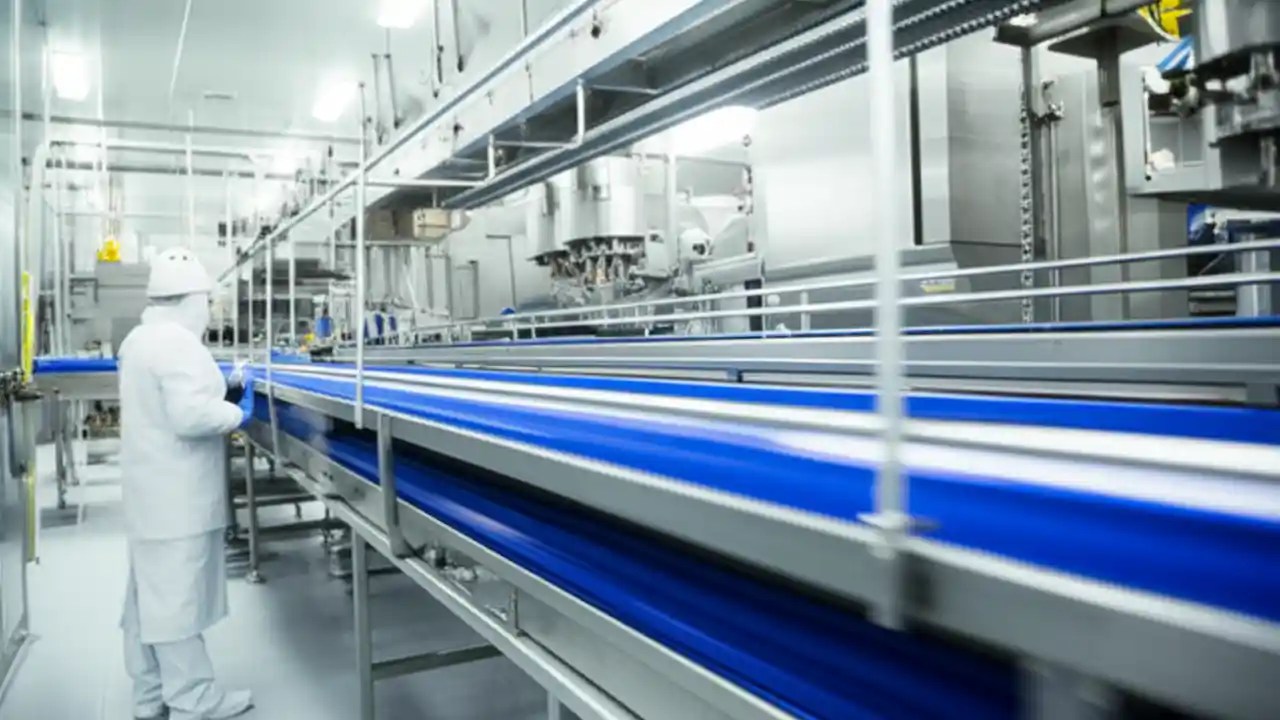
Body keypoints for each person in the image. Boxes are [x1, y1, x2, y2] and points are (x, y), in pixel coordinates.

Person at [117, 247, 256, 720]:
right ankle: (194, 701)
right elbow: (190, 414)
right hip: (176, 498)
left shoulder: (139, 339)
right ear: (190, 298)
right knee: (175, 601)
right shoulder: (176, 343)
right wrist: (237, 409)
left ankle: (150, 694)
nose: (208, 311)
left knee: (147, 599)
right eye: (206, 301)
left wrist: (220, 389)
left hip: (150, 493)